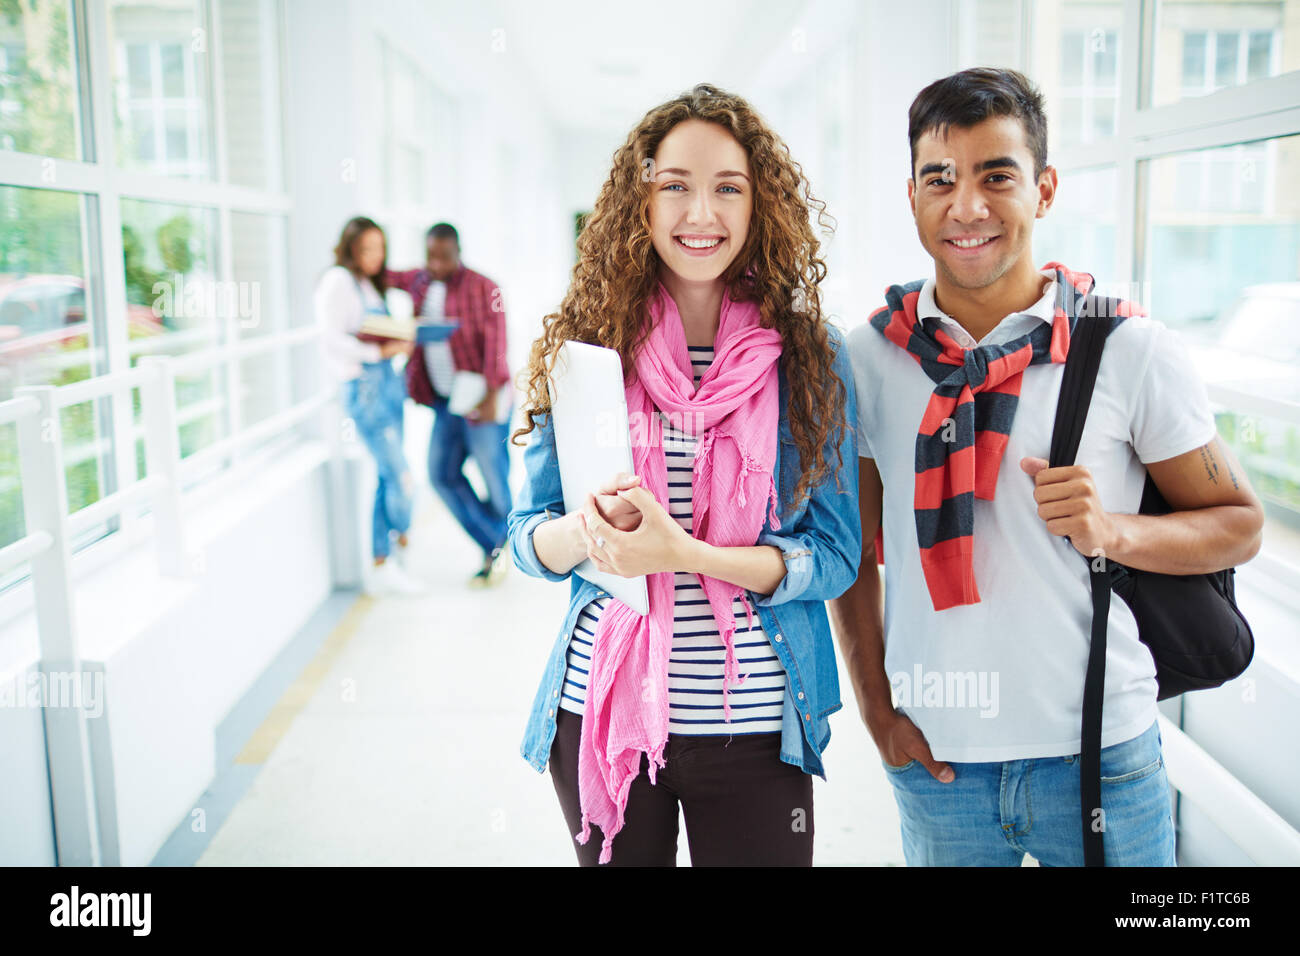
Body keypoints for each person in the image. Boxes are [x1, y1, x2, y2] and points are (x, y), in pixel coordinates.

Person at [831, 68, 1265, 866]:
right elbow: (853, 554)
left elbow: (1238, 526)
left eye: (997, 175)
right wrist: (877, 713)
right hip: (937, 761)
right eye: (941, 179)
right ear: (913, 195)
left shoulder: (1125, 348)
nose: (967, 207)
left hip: (1102, 753)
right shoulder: (867, 358)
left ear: (1045, 188)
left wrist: (1112, 532)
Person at [506, 83, 860, 866]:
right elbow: (528, 541)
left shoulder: (809, 355)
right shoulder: (588, 346)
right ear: (641, 202)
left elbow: (833, 557)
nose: (701, 214)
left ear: (759, 203)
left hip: (757, 724)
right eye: (676, 187)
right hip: (602, 718)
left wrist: (686, 555)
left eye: (727, 188)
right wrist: (587, 530)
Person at [387, 224, 513, 587]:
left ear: (458, 251)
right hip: (445, 403)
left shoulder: (483, 287)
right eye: (431, 255)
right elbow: (383, 274)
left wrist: (491, 398)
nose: (436, 263)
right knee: (441, 474)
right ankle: (495, 542)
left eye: (444, 256)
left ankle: (513, 546)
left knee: (494, 478)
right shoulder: (419, 281)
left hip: (482, 400)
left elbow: (497, 344)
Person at [315, 216, 424, 596]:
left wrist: (399, 342)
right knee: (401, 476)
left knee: (386, 475)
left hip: (388, 383)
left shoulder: (366, 285)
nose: (375, 257)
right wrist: (378, 350)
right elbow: (330, 339)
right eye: (367, 249)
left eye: (380, 249)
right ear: (350, 249)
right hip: (364, 388)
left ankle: (384, 562)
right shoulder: (338, 281)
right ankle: (400, 542)